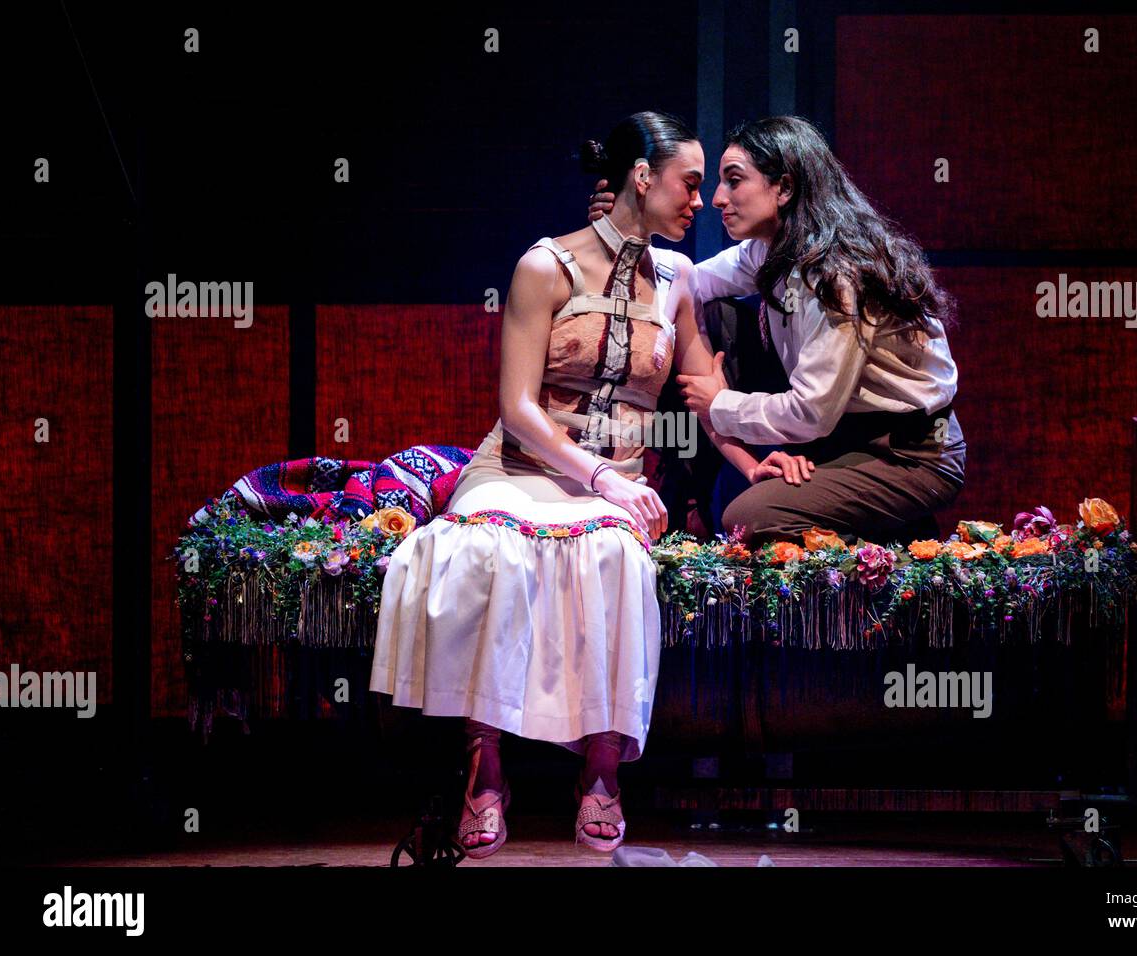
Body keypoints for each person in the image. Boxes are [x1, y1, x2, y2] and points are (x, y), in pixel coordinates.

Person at [370, 111, 766, 859]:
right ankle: (484, 767)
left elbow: (704, 387)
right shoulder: (544, 266)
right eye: (688, 183)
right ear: (641, 178)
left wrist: (750, 464)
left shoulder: (679, 280)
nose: (699, 200)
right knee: (483, 551)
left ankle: (603, 768)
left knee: (616, 560)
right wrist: (599, 480)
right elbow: (516, 409)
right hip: (519, 471)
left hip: (612, 483)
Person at [591, 115, 965, 549]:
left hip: (909, 453)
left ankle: (898, 552)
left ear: (784, 188)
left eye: (734, 181)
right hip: (839, 438)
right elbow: (682, 283)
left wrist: (719, 403)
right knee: (711, 314)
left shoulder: (838, 275)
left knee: (748, 519)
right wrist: (619, 227)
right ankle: (685, 498)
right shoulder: (770, 251)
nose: (715, 199)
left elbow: (811, 412)